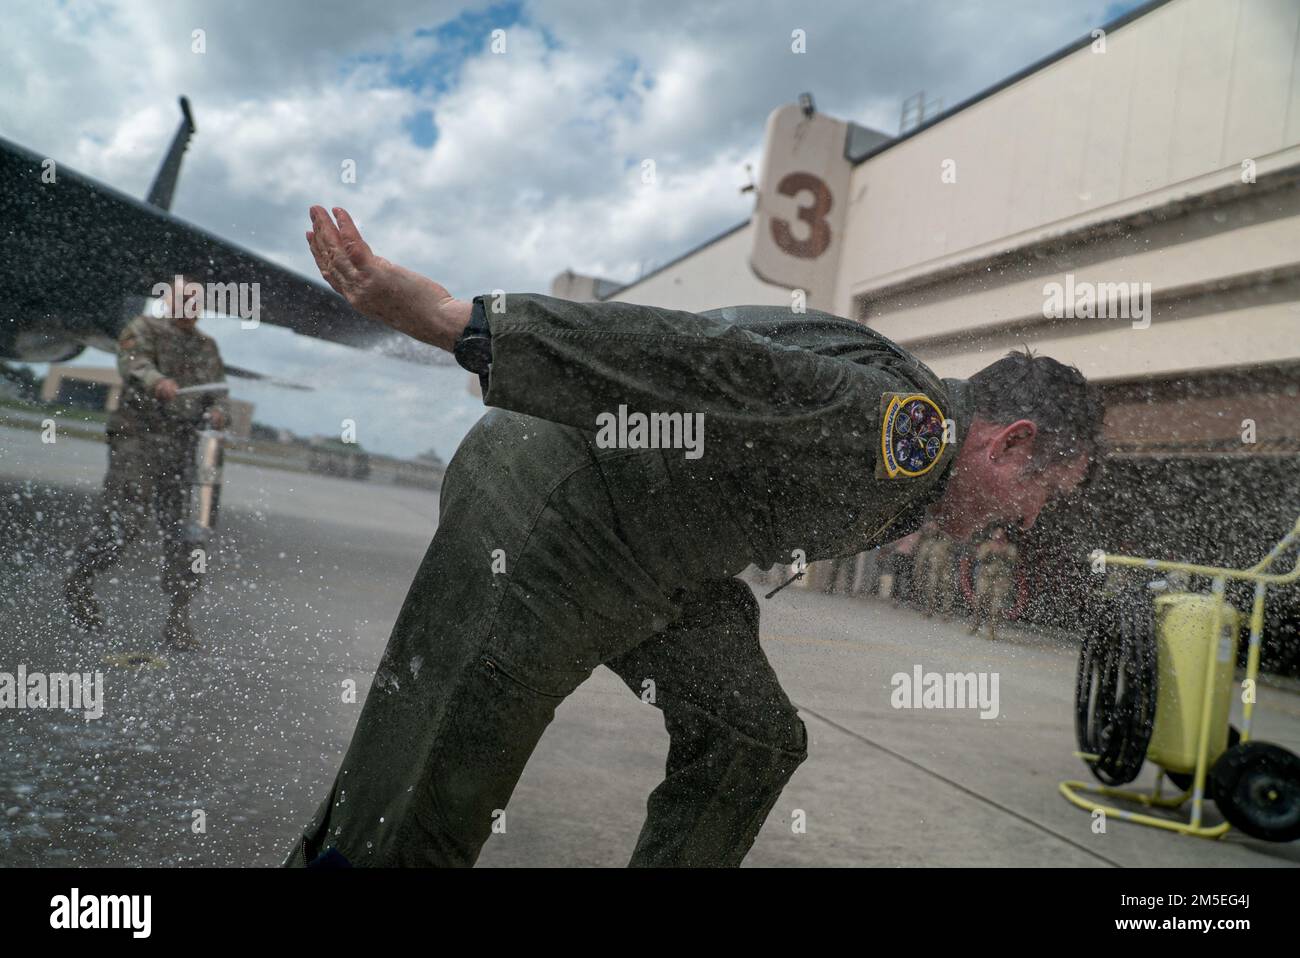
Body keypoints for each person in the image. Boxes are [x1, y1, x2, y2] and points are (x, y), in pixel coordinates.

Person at [287, 206, 1103, 868]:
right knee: (430, 793)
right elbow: (707, 364)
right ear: (1012, 442)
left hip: (655, 550)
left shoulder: (916, 439)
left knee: (754, 736)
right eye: (1040, 492)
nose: (1029, 520)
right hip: (559, 514)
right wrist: (462, 323)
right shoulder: (905, 433)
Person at [64, 276, 228, 649]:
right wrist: (157, 381)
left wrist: (219, 413)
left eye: (195, 301)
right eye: (183, 300)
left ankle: (179, 617)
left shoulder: (207, 346)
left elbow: (219, 393)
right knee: (125, 520)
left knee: (190, 534)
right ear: (169, 302)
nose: (190, 307)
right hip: (139, 439)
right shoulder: (142, 328)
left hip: (186, 448)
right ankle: (81, 581)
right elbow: (134, 364)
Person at [970, 526, 1019, 640]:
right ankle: (975, 624)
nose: (998, 537)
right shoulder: (987, 545)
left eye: (1001, 535)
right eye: (996, 534)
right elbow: (980, 557)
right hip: (985, 577)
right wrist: (990, 550)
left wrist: (1003, 552)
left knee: (996, 607)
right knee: (979, 601)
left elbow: (1013, 561)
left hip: (1001, 580)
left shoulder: (1010, 547)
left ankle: (992, 630)